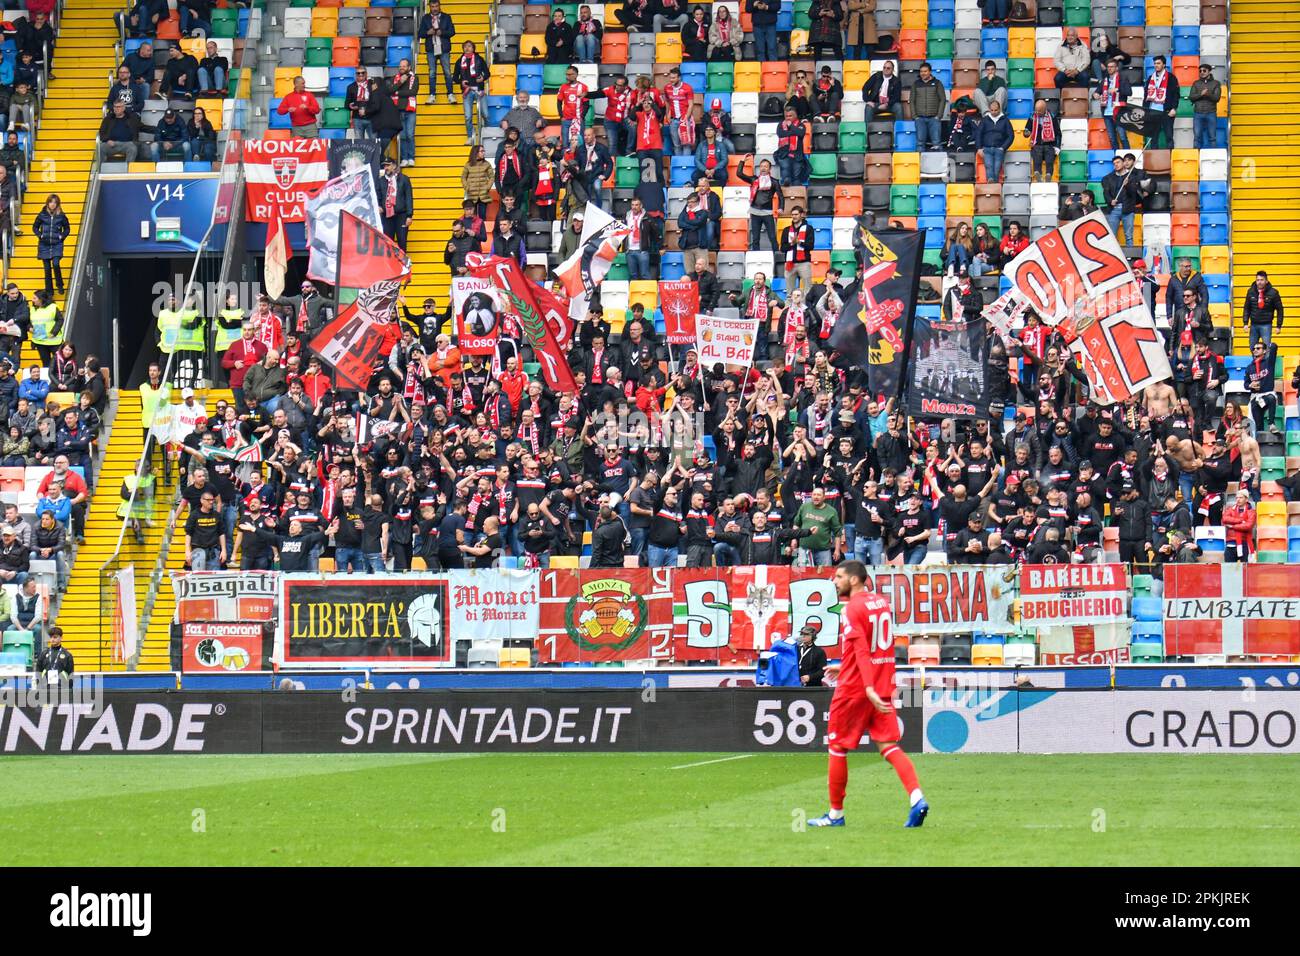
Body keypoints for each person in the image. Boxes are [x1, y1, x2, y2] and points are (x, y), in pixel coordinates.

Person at [809, 561, 928, 828]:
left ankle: (835, 815)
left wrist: (867, 686)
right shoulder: (881, 603)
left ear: (853, 580)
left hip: (857, 689)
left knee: (837, 747)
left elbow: (862, 648)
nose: (834, 580)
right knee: (889, 746)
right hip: (882, 683)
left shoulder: (852, 607)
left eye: (839, 576)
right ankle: (917, 798)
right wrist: (848, 666)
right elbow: (876, 647)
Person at [418, 0, 457, 105]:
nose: (434, 8)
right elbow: (420, 33)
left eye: (436, 6)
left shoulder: (446, 17)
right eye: (432, 6)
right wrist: (427, 33)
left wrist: (442, 33)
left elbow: (453, 31)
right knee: (432, 73)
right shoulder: (425, 18)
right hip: (431, 49)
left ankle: (450, 94)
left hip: (444, 49)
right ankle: (432, 95)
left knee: (448, 72)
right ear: (429, 7)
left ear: (439, 6)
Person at [32, 194, 69, 298]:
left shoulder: (61, 215)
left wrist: (62, 236)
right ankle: (49, 292)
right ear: (47, 203)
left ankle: (60, 285)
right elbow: (34, 227)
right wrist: (40, 235)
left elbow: (67, 228)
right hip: (44, 245)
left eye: (55, 202)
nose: (52, 204)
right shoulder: (41, 215)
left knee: (56, 264)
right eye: (51, 202)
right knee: (47, 269)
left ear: (57, 204)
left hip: (57, 244)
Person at [452, 40, 489, 143]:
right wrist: (461, 82)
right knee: (468, 116)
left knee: (485, 114)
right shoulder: (459, 61)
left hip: (479, 90)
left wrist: (482, 78)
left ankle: (486, 133)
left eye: (469, 46)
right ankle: (470, 136)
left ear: (473, 48)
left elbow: (487, 73)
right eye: (465, 47)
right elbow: (455, 77)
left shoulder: (479, 59)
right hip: (467, 91)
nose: (467, 48)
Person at [1142, 55, 1180, 150]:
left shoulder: (1171, 77)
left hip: (1166, 111)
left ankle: (1170, 157)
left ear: (1164, 65)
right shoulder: (1151, 78)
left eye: (1158, 63)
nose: (1156, 65)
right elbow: (1146, 95)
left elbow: (1176, 94)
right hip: (1152, 111)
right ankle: (1155, 158)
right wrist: (1145, 110)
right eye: (1155, 64)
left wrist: (1174, 108)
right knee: (1153, 137)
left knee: (1169, 136)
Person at [1094, 57, 1131, 148]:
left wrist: (1117, 89)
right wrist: (1095, 94)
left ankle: (1128, 157)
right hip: (1107, 113)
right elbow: (1097, 91)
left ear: (1117, 68)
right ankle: (1117, 159)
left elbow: (1129, 92)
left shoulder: (1122, 79)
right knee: (1112, 138)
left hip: (1119, 112)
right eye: (1108, 67)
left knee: (1122, 137)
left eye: (1112, 66)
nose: (1109, 68)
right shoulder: (1105, 80)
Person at [389, 58, 420, 167]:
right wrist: (400, 82)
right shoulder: (394, 78)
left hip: (410, 111)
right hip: (397, 111)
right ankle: (404, 158)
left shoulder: (414, 78)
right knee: (402, 136)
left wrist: (398, 92)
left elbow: (413, 92)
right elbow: (390, 91)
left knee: (410, 135)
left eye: (404, 66)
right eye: (400, 66)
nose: (402, 68)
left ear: (409, 67)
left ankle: (411, 157)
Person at [910, 62, 947, 152]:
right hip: (920, 118)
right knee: (920, 144)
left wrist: (939, 116)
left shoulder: (937, 83)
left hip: (934, 119)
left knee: (936, 143)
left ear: (930, 72)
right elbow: (912, 101)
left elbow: (942, 99)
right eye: (921, 71)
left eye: (925, 71)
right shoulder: (916, 84)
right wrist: (915, 117)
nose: (923, 73)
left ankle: (939, 165)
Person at [1101, 154, 1137, 245]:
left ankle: (1130, 258)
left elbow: (1133, 193)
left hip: (1128, 209)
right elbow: (1106, 192)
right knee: (1112, 236)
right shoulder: (1108, 178)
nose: (1116, 165)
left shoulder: (1131, 177)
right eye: (1114, 163)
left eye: (1118, 162)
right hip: (1114, 209)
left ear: (1124, 163)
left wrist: (1127, 185)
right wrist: (1110, 201)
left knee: (1129, 236)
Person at [379, 156, 413, 251]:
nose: (386, 168)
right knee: (388, 242)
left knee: (402, 241)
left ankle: (402, 265)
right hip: (387, 217)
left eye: (388, 165)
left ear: (394, 166)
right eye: (384, 166)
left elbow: (408, 197)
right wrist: (379, 206)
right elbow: (378, 196)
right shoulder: (381, 180)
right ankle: (390, 265)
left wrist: (409, 216)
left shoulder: (404, 179)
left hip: (401, 215)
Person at [975, 98, 1013, 183]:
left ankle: (993, 185)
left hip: (999, 149)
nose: (993, 112)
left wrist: (1003, 147)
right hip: (986, 148)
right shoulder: (985, 120)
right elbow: (978, 134)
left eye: (996, 110)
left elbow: (1011, 136)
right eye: (991, 110)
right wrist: (979, 148)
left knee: (997, 168)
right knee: (989, 165)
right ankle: (991, 181)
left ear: (999, 109)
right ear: (989, 109)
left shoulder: (1005, 120)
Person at [1243, 270, 1283, 348]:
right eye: (1258, 280)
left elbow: (1280, 310)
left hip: (1266, 325)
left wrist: (1278, 326)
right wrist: (1245, 323)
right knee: (1252, 348)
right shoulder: (1250, 291)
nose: (1259, 282)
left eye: (1262, 280)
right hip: (1254, 325)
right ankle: (1256, 361)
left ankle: (1266, 361)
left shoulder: (1273, 293)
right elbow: (1247, 308)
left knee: (1266, 349)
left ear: (1266, 281)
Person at [1024, 98, 1059, 183]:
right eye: (1036, 110)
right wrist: (1027, 133)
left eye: (1039, 111)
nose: (1037, 113)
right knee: (1037, 158)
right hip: (1037, 143)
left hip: (1049, 144)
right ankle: (1037, 174)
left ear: (1045, 109)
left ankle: (1048, 175)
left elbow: (1057, 132)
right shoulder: (1032, 116)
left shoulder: (1052, 116)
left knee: (1050, 159)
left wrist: (1057, 146)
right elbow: (1026, 130)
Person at [1189, 64, 1222, 150]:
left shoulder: (1216, 83)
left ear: (1209, 71)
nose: (1202, 72)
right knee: (1197, 137)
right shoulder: (1196, 83)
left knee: (1212, 137)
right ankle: (1196, 157)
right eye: (1200, 71)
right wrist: (1201, 94)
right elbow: (1191, 97)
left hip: (1211, 113)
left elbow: (1217, 98)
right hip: (1198, 113)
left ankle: (1213, 158)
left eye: (1204, 71)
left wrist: (1208, 94)